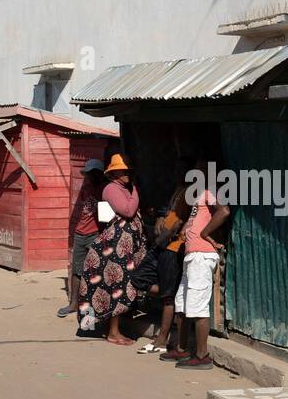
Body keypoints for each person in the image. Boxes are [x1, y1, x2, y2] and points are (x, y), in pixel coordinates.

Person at [163, 159, 230, 370]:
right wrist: (187, 228)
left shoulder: (210, 191)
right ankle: (182, 349)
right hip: (192, 256)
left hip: (202, 255)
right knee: (182, 304)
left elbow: (224, 211)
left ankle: (202, 356)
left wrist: (204, 233)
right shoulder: (199, 194)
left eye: (200, 171)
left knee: (198, 307)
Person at [77, 153, 147, 344]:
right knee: (118, 287)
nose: (127, 174)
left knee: (120, 286)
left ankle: (114, 330)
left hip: (123, 248)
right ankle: (113, 333)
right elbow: (128, 211)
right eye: (123, 171)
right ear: (114, 173)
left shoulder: (122, 188)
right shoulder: (112, 189)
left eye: (128, 171)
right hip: (116, 248)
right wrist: (135, 190)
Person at [137, 160, 191, 355]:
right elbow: (169, 213)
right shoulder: (179, 189)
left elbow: (181, 221)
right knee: (138, 278)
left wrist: (164, 236)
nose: (177, 172)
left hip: (172, 247)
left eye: (181, 169)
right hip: (162, 245)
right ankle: (170, 295)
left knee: (168, 297)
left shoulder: (190, 193)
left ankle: (161, 340)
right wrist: (161, 217)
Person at [58, 159, 104, 318]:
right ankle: (74, 303)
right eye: (88, 174)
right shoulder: (86, 188)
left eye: (92, 174)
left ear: (99, 174)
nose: (89, 177)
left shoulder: (105, 190)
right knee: (77, 271)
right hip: (80, 234)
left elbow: (105, 217)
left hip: (95, 235)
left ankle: (91, 307)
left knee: (93, 272)